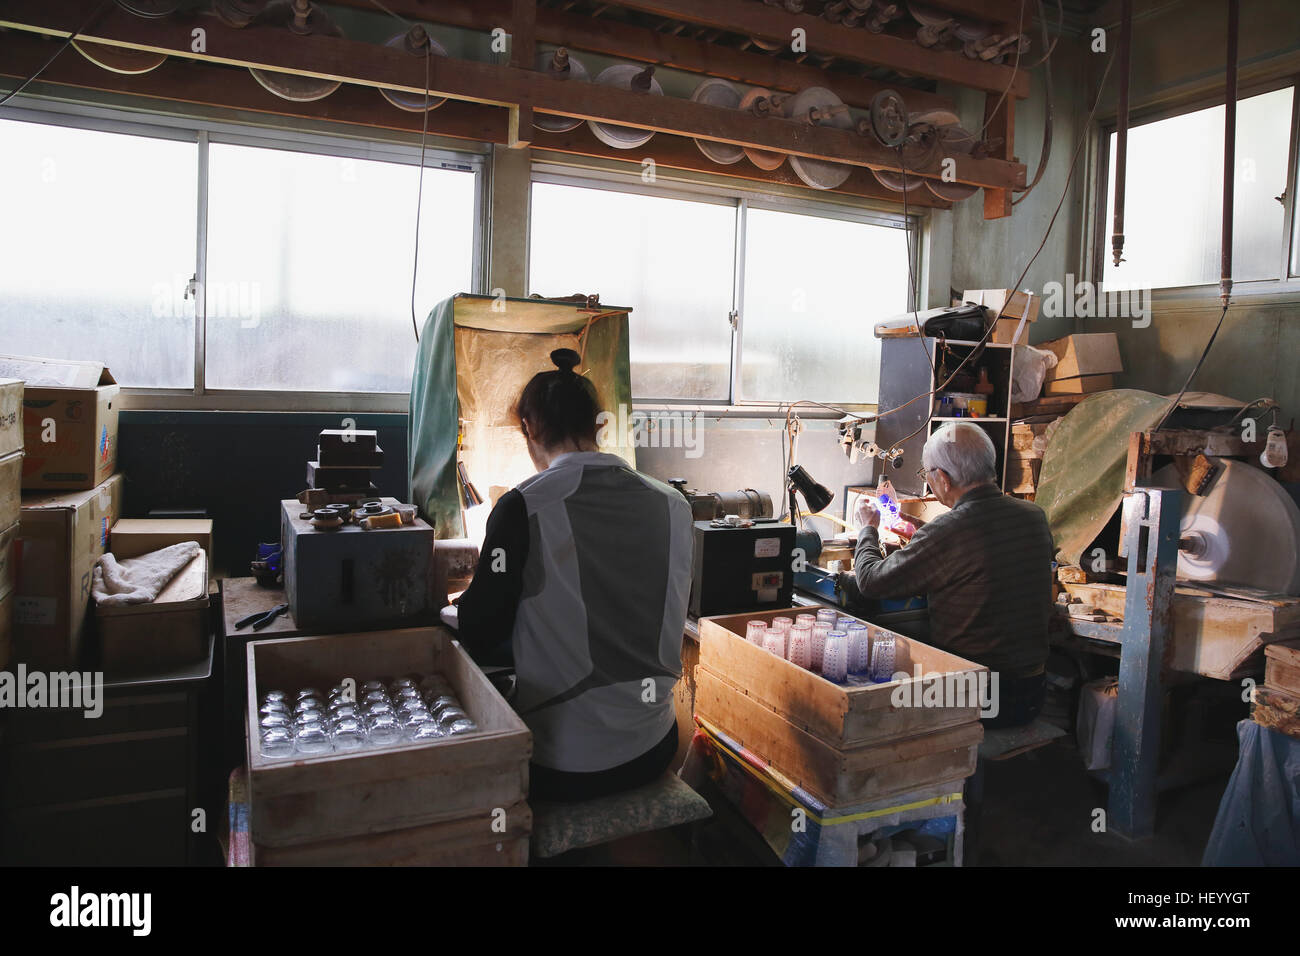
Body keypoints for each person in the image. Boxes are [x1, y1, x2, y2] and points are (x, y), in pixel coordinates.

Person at [455, 348, 694, 801]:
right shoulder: (673, 505)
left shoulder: (522, 506)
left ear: (529, 429)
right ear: (597, 425)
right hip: (655, 745)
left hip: (563, 764)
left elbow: (480, 631)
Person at [851, 422, 1054, 728]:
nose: (930, 481)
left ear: (943, 479)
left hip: (975, 696)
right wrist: (922, 533)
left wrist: (867, 528)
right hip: (1031, 691)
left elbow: (870, 580)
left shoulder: (949, 531)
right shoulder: (1034, 516)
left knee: (871, 701)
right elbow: (983, 551)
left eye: (927, 475)